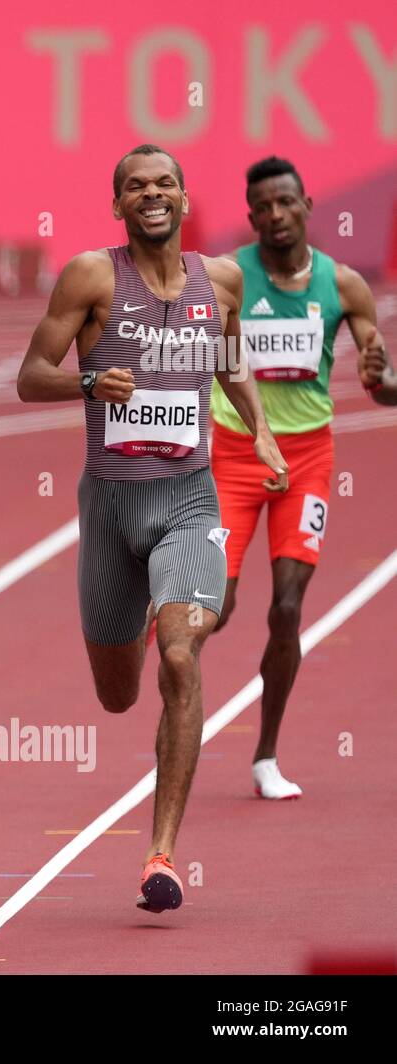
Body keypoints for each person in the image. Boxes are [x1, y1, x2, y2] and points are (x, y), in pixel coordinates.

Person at [16, 144, 288, 914]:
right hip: (110, 509)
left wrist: (261, 429)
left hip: (190, 501)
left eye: (164, 183)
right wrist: (87, 381)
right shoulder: (91, 277)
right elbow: (29, 376)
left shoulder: (221, 280)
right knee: (117, 696)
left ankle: (161, 854)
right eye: (135, 186)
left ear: (185, 198)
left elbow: (231, 358)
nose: (151, 194)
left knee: (180, 655)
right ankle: (141, 614)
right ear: (118, 206)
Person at [210, 156, 395, 799]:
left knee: (288, 608)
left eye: (286, 202)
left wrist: (381, 375)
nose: (276, 215)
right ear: (251, 216)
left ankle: (265, 756)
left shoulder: (343, 285)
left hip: (307, 461)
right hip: (236, 455)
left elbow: (382, 385)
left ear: (307, 206)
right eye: (262, 207)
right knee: (215, 607)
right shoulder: (230, 277)